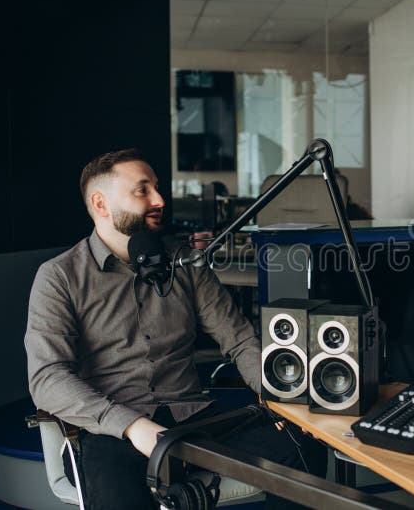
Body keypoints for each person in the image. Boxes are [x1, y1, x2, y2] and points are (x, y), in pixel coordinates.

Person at [25, 149, 325, 510]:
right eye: (142, 190)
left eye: (157, 187)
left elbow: (240, 339)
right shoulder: (58, 276)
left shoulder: (185, 265)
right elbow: (47, 377)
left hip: (195, 420)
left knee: (301, 450)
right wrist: (131, 426)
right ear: (101, 204)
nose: (159, 200)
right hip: (113, 432)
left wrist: (283, 398)